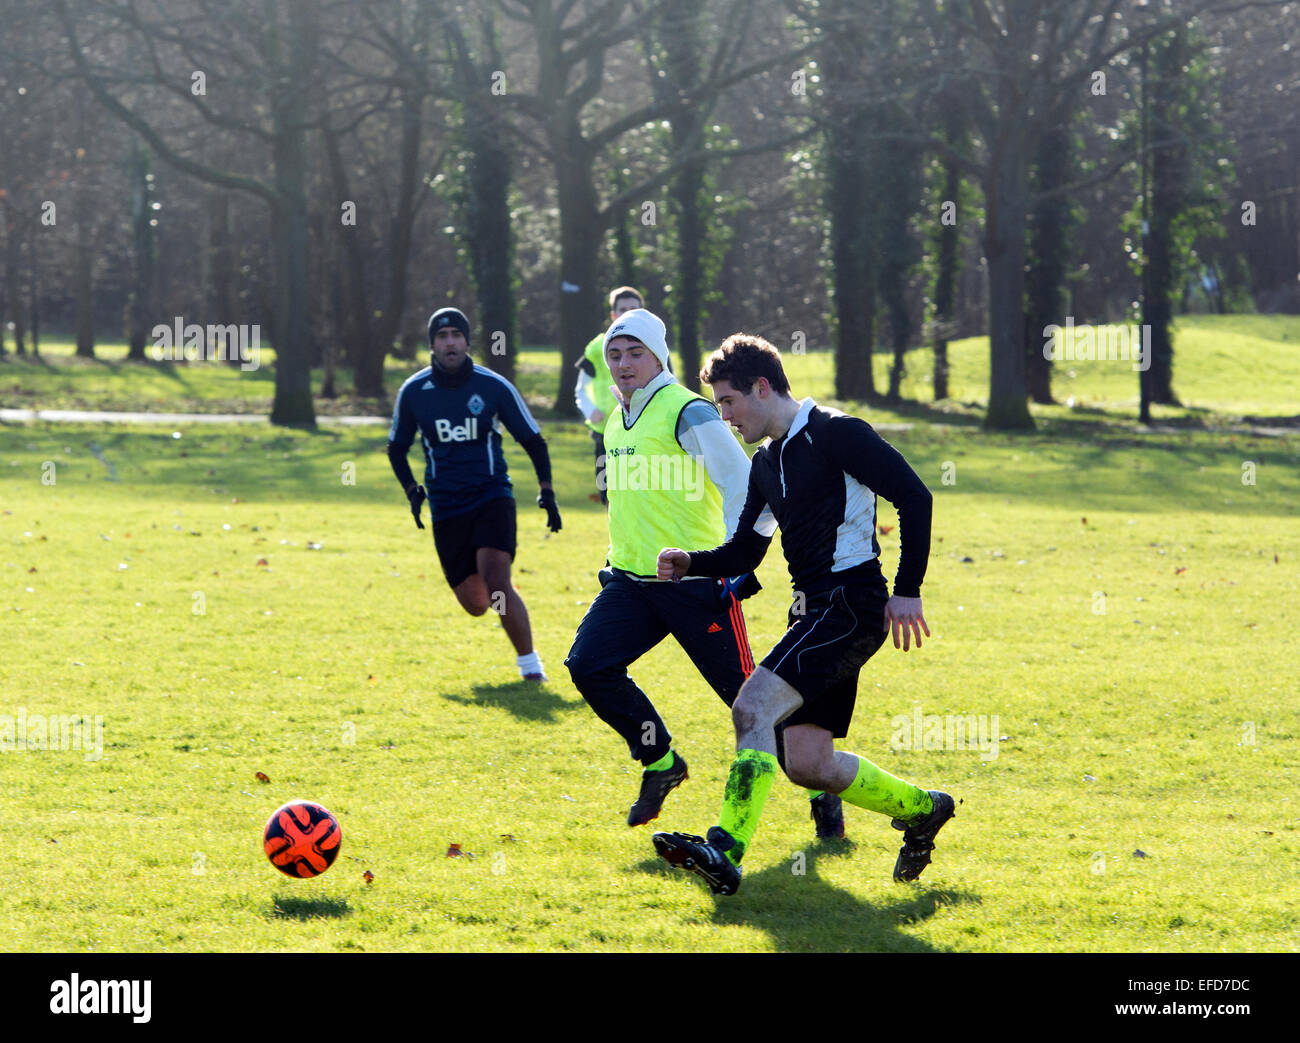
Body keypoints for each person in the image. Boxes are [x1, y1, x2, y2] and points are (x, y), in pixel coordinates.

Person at [652, 333, 954, 895]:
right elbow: (747, 549)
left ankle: (724, 850)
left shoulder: (839, 433)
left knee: (751, 710)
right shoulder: (766, 463)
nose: (726, 417)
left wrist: (907, 589)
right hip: (814, 612)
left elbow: (915, 497)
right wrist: (691, 562)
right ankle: (923, 809)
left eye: (729, 403)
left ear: (761, 388)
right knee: (808, 764)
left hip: (851, 605)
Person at [565, 310, 846, 839]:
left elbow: (745, 482)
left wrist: (736, 561)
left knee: (752, 702)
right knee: (588, 665)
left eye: (635, 353)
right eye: (615, 355)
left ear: (658, 356)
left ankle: (818, 788)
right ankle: (660, 763)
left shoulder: (686, 410)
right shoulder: (615, 419)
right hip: (631, 583)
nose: (624, 364)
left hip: (696, 584)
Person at [387, 307, 562, 682]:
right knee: (477, 603)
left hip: (492, 496)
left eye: (456, 335)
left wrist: (546, 490)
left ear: (467, 341)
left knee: (496, 578)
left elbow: (533, 440)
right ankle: (500, 599)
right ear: (432, 344)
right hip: (447, 505)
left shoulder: (493, 386)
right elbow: (396, 447)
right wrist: (412, 490)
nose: (449, 342)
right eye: (441, 336)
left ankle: (530, 666)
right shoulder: (414, 392)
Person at [574, 286, 644, 505]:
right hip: (604, 433)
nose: (628, 313)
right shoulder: (597, 348)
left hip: (643, 432)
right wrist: (589, 409)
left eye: (634, 309)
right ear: (613, 315)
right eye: (623, 309)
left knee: (640, 494)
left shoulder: (654, 345)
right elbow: (580, 389)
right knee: (609, 495)